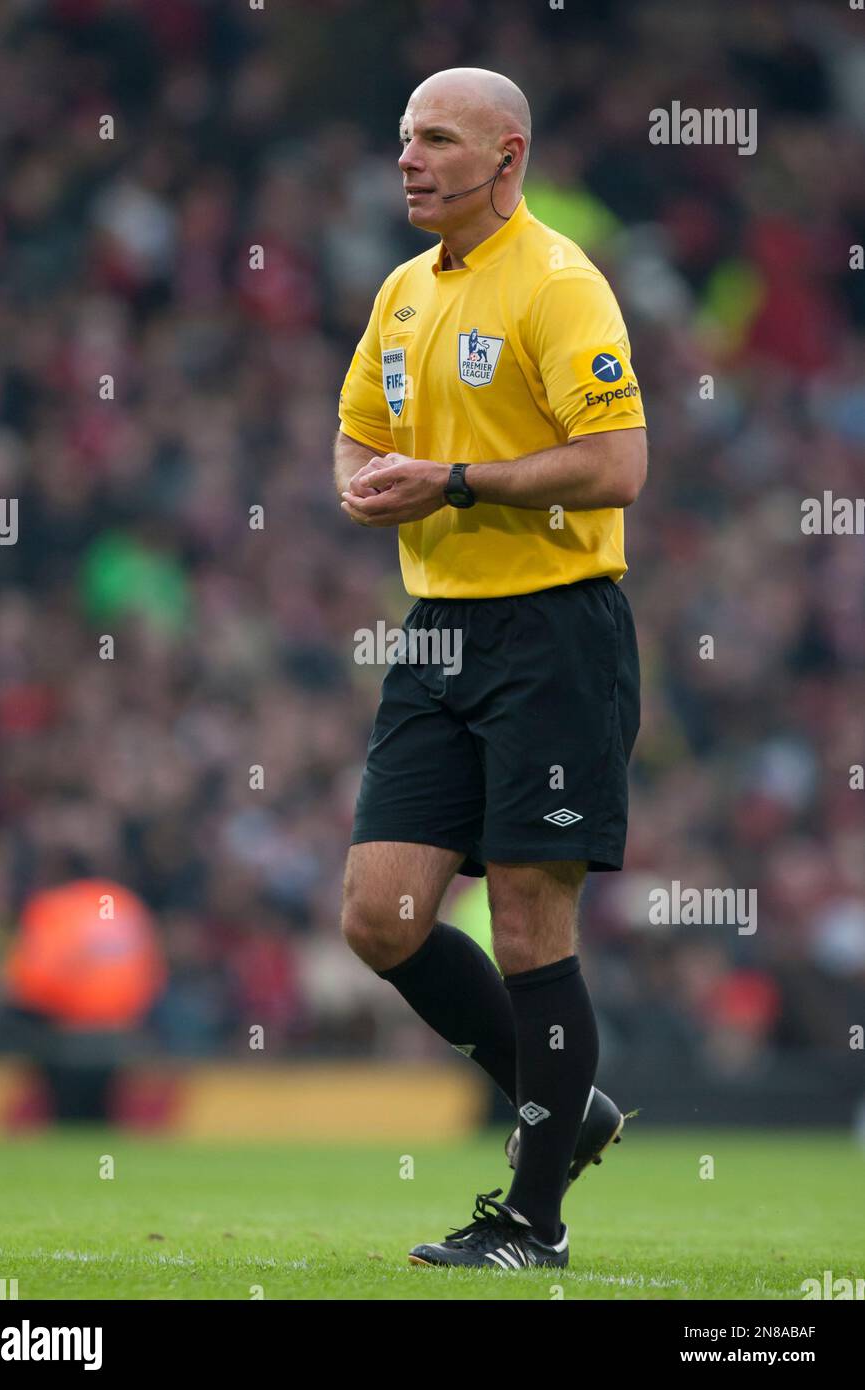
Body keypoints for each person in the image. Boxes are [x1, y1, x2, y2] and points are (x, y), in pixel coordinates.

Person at [335, 67, 646, 1270]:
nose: (409, 158)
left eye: (438, 140)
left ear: (505, 157)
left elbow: (617, 464)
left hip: (552, 629)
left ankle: (531, 1222)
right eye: (404, 135)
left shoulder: (560, 283)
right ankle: (567, 1100)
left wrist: (455, 481)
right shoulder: (404, 291)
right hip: (435, 633)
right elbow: (360, 422)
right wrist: (360, 480)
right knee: (381, 915)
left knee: (525, 918)